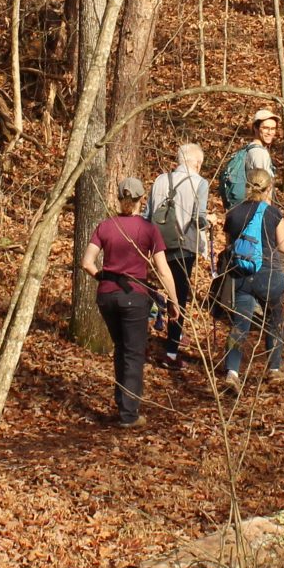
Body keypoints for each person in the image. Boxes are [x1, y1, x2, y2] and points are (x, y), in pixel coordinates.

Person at [86, 178, 179, 426]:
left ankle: (123, 403)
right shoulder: (148, 230)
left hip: (106, 296)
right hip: (135, 297)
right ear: (141, 200)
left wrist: (101, 276)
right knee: (134, 353)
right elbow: (163, 269)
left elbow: (87, 262)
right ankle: (129, 413)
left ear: (119, 198)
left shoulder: (105, 226)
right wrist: (173, 302)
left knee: (121, 348)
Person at [219, 169, 284, 387]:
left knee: (239, 325)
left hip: (241, 276)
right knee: (274, 320)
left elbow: (229, 245)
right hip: (269, 276)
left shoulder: (233, 214)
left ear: (246, 187)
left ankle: (232, 372)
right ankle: (274, 369)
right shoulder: (272, 213)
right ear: (268, 187)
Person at [145, 144, 212, 372]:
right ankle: (171, 351)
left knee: (160, 288)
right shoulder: (200, 184)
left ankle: (157, 332)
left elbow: (147, 215)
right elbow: (198, 218)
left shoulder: (160, 180)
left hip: (157, 244)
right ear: (197, 163)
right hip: (184, 246)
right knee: (179, 296)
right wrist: (209, 221)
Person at [216, 106, 281, 209]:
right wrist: (267, 215)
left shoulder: (248, 149)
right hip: (254, 211)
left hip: (242, 210)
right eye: (265, 128)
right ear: (255, 128)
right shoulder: (259, 153)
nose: (270, 132)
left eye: (273, 129)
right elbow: (263, 188)